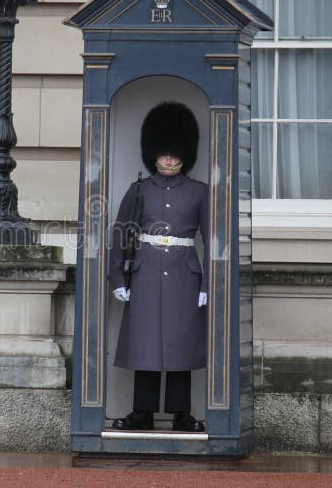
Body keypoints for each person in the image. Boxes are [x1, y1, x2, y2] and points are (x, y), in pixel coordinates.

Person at [109, 101, 209, 433]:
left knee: (181, 346)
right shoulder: (138, 191)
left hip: (184, 275)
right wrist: (117, 277)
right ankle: (143, 411)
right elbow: (121, 233)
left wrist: (209, 284)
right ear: (153, 153)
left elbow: (213, 241)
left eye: (174, 152)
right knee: (146, 345)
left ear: (185, 153)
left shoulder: (199, 193)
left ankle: (181, 413)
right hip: (145, 272)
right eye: (163, 152)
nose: (168, 158)